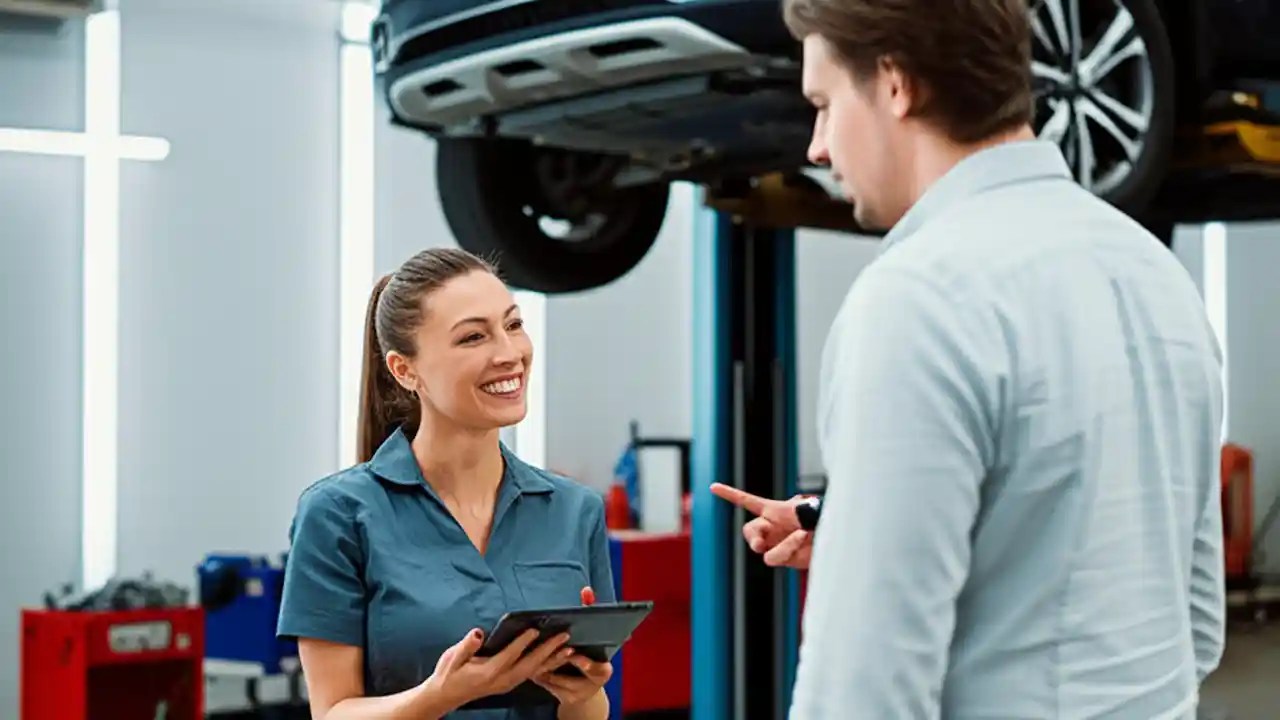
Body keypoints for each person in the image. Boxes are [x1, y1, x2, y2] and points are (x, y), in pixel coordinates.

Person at [716, 1, 1227, 717]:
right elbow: (1196, 625)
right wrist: (860, 520)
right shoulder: (1156, 273)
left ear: (894, 83)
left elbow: (863, 691)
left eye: (825, 105)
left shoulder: (917, 300)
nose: (818, 147)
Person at [277, 248, 616, 720]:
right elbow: (332, 712)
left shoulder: (575, 511)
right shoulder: (337, 514)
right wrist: (441, 695)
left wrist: (582, 695)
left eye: (513, 325)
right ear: (404, 370)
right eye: (474, 337)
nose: (509, 353)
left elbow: (590, 710)